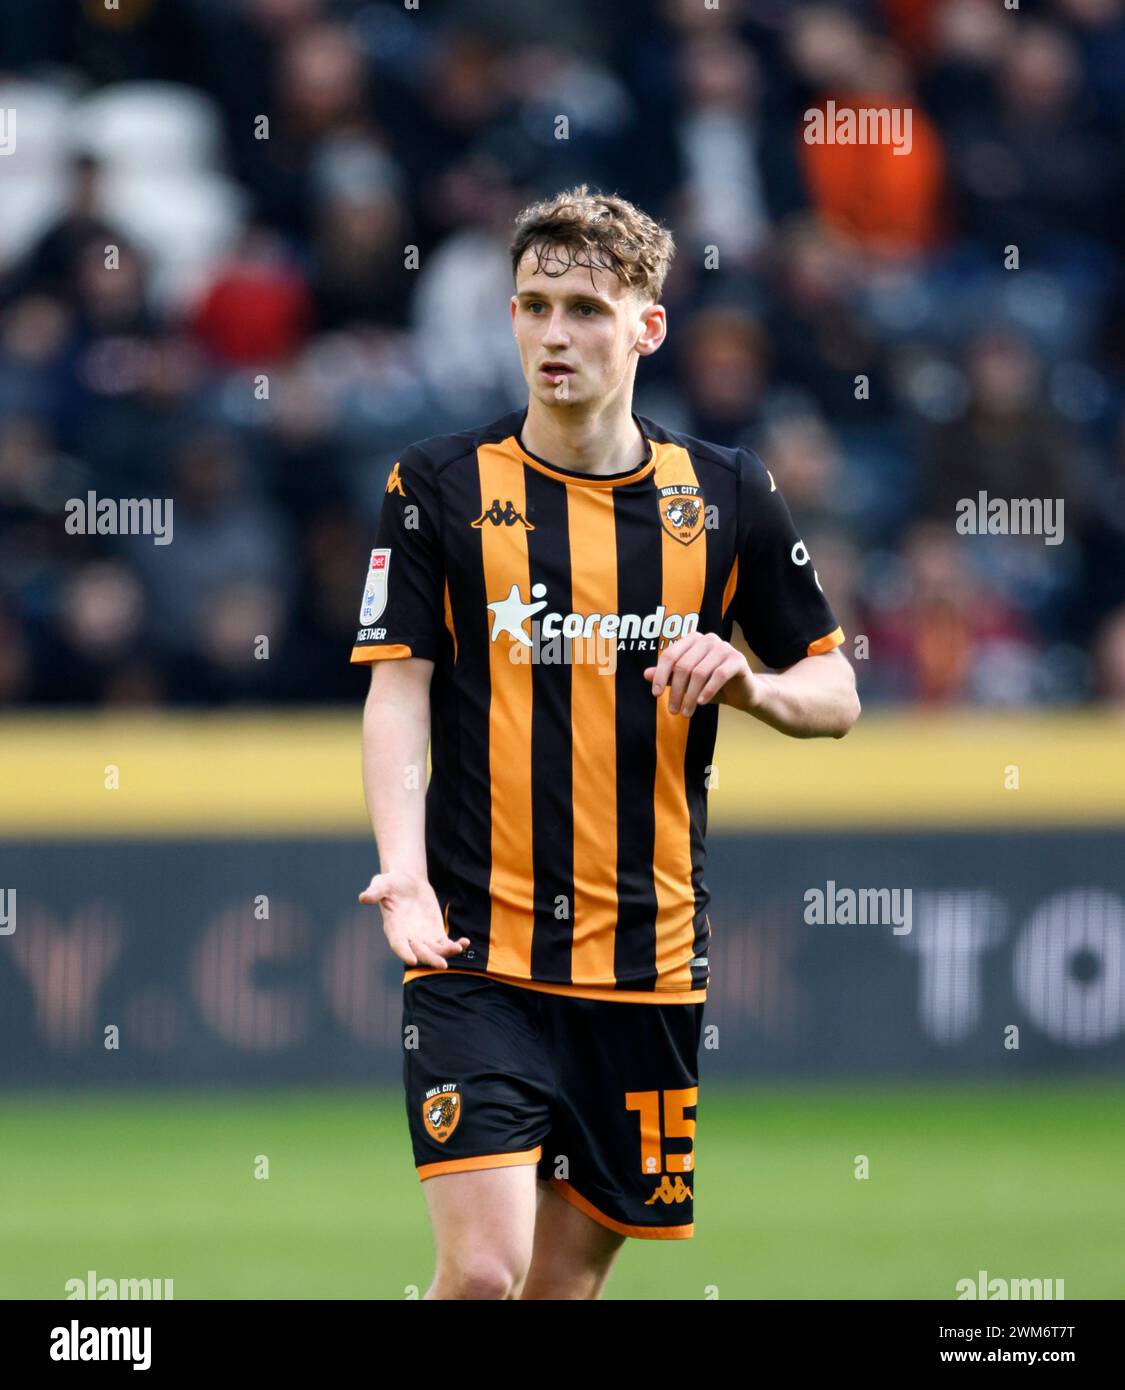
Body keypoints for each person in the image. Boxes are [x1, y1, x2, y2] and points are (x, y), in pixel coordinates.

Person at [351, 185, 860, 1299]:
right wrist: (403, 872)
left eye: (585, 307)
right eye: (533, 306)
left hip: (648, 958)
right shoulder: (436, 484)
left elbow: (837, 690)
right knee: (484, 1274)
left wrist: (754, 684)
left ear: (647, 327)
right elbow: (399, 691)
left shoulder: (726, 491)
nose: (554, 334)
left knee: (559, 1290)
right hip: (477, 948)